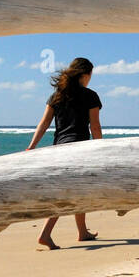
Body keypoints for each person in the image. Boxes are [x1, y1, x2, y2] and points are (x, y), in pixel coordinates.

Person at [25, 57, 103, 249]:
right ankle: (45, 234)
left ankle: (83, 232)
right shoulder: (90, 96)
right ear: (85, 75)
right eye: (90, 76)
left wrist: (32, 146)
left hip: (59, 149)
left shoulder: (57, 95)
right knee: (68, 193)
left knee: (76, 191)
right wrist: (101, 148)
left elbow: (43, 123)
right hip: (80, 149)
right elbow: (94, 126)